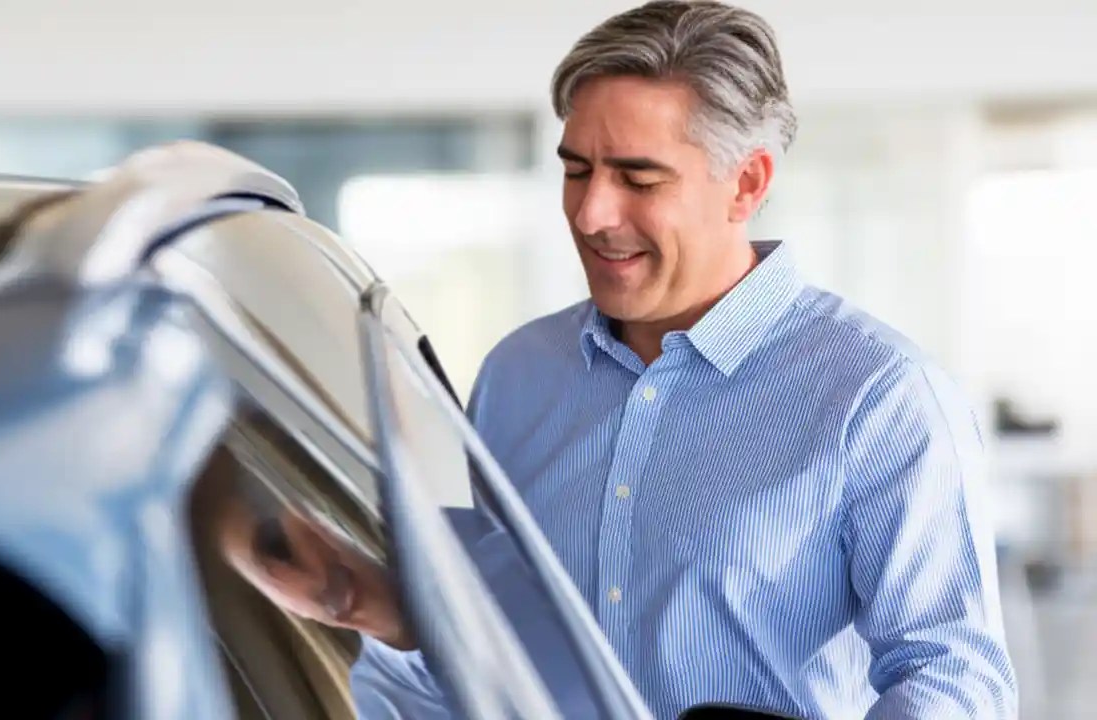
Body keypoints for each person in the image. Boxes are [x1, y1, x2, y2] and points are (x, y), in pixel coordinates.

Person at [359, 1, 1021, 717]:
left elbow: (953, 681)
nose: (590, 214)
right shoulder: (518, 376)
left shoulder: (880, 397)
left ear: (746, 184)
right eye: (577, 170)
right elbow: (477, 644)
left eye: (639, 180)